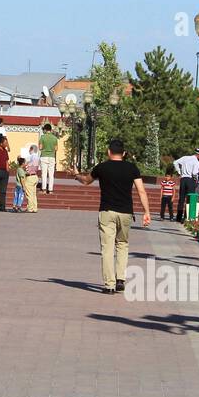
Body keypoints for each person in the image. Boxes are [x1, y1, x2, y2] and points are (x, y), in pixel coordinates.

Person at [76, 138, 151, 294]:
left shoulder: (102, 168)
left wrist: (76, 175)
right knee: (122, 244)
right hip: (126, 213)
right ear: (123, 153)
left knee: (107, 248)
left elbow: (86, 181)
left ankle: (109, 285)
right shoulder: (132, 168)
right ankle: (120, 279)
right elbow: (141, 191)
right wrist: (146, 212)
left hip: (107, 212)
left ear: (108, 152)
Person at [173, 149, 199, 222]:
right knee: (189, 199)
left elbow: (175, 162)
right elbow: (194, 173)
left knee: (181, 199)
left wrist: (179, 172)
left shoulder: (185, 158)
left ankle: (178, 217)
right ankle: (186, 217)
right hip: (190, 180)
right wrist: (196, 180)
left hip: (183, 179)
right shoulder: (196, 161)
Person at [38, 122, 58, 194]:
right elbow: (56, 149)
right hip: (52, 157)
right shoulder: (54, 138)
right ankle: (50, 190)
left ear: (45, 130)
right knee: (51, 174)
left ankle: (43, 189)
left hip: (44, 156)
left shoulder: (42, 137)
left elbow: (40, 147)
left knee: (44, 173)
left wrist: (44, 147)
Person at [21, 145, 40, 213]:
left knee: (29, 193)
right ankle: (34, 208)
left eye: (29, 149)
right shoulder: (37, 157)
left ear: (31, 149)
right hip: (35, 176)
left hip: (30, 176)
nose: (29, 151)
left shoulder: (30, 157)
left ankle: (30, 208)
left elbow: (24, 165)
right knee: (33, 194)